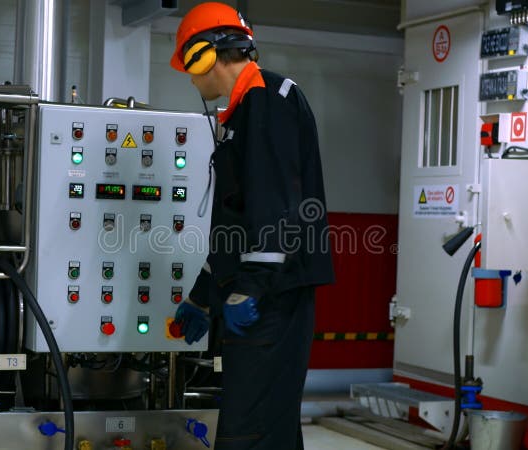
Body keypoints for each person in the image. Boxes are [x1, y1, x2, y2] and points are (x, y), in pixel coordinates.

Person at [170, 3, 335, 449]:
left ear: (205, 55)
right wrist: (203, 297)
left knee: (251, 431)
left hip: (272, 299)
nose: (191, 79)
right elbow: (236, 224)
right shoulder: (247, 110)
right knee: (266, 427)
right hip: (259, 295)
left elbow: (278, 208)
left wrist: (252, 288)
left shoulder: (269, 100)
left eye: (189, 66)